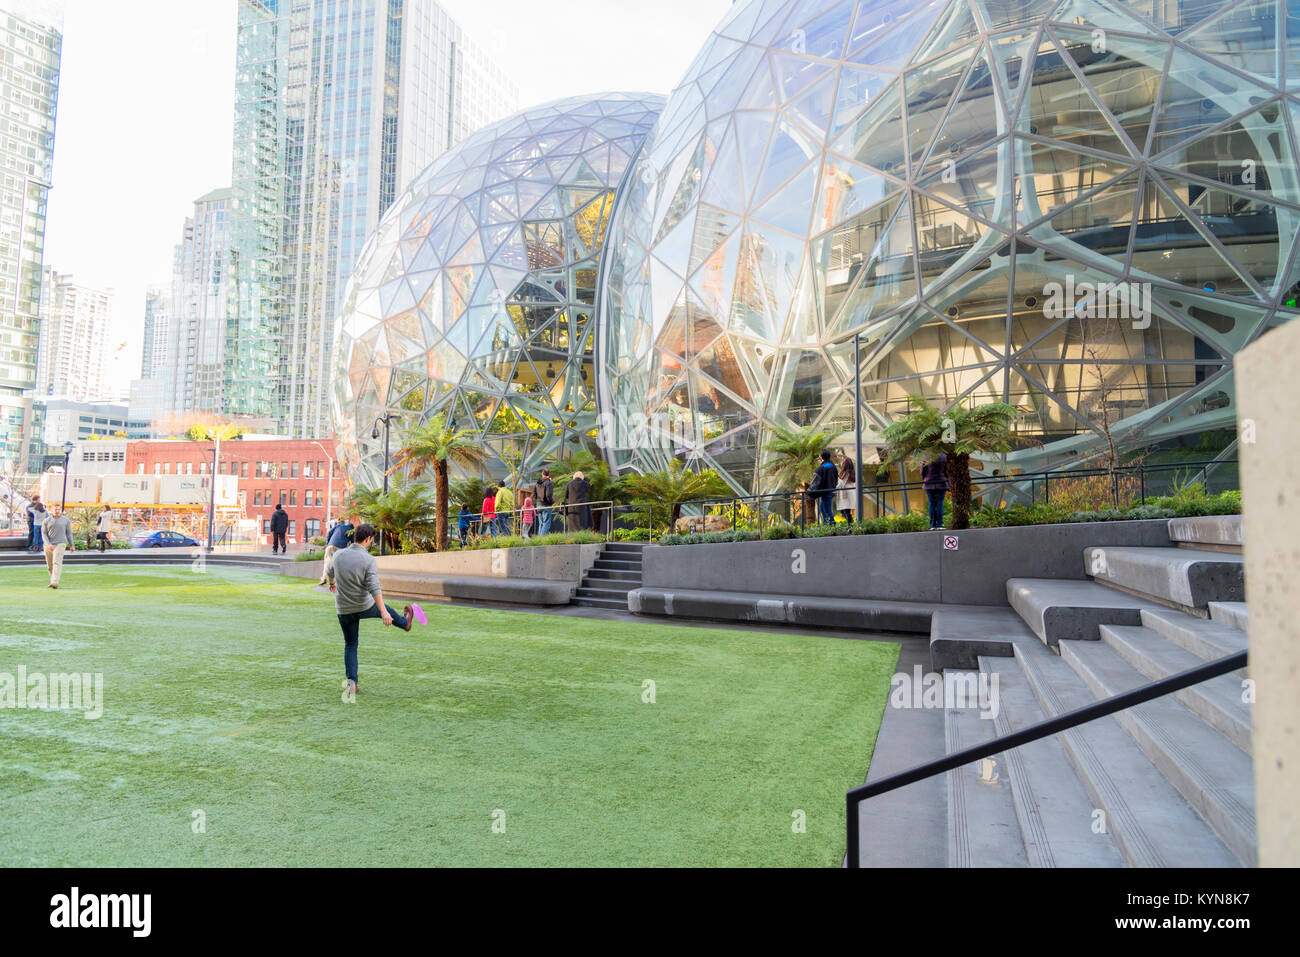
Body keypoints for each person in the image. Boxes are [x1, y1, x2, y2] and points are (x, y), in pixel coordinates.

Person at [326, 523, 424, 696]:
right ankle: (404, 623)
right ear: (368, 539)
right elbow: (374, 587)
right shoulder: (368, 559)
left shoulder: (338, 555)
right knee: (386, 609)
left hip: (344, 608)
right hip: (364, 605)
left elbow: (329, 572)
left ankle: (352, 684)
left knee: (350, 645)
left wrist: (332, 583)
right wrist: (383, 612)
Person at [41, 503, 74, 589]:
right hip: (49, 545)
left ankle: (55, 582)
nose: (57, 511)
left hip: (60, 544)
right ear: (51, 510)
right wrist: (48, 544)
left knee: (56, 562)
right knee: (50, 565)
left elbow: (69, 533)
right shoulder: (46, 521)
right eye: (55, 509)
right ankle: (52, 580)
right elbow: (44, 534)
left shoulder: (65, 520)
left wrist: (72, 545)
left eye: (59, 509)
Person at [319, 516, 356, 586]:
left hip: (330, 546)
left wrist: (327, 543)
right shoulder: (350, 531)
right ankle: (339, 581)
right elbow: (353, 543)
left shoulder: (339, 526)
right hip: (341, 548)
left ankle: (324, 578)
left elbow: (329, 533)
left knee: (327, 563)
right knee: (339, 564)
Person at [808, 450, 839, 526]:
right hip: (831, 490)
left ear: (821, 457)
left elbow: (816, 482)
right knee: (822, 507)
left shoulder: (821, 469)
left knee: (826, 509)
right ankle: (827, 524)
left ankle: (830, 524)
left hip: (826, 491)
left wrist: (810, 492)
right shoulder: (833, 466)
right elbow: (836, 477)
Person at [922, 453, 949, 531]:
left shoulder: (927, 455)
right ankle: (940, 525)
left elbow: (922, 471)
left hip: (929, 482)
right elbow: (947, 470)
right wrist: (945, 478)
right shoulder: (944, 456)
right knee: (940, 503)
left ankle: (932, 525)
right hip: (941, 482)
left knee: (931, 503)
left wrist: (926, 478)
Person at [534, 469, 554, 536]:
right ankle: (542, 540)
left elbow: (534, 494)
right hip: (546, 505)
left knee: (541, 524)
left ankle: (539, 541)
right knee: (546, 523)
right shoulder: (548, 483)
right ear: (549, 474)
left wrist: (538, 501)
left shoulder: (537, 483)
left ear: (542, 474)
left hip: (538, 505)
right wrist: (551, 502)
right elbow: (548, 495)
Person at [836, 456, 856, 523]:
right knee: (846, 511)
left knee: (845, 511)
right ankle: (851, 525)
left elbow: (841, 483)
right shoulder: (853, 472)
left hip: (846, 494)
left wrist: (834, 489)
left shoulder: (846, 473)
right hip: (851, 493)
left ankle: (851, 526)